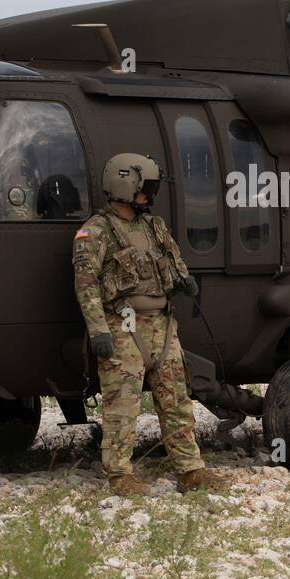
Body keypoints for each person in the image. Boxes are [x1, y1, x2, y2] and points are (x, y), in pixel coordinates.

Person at [71, 152, 227, 495]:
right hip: (122, 326)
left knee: (176, 399)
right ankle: (120, 474)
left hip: (162, 325)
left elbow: (174, 262)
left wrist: (185, 281)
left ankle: (190, 469)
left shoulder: (153, 227)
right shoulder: (95, 231)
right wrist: (98, 329)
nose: (149, 195)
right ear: (125, 185)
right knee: (122, 403)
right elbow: (86, 284)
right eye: (145, 187)